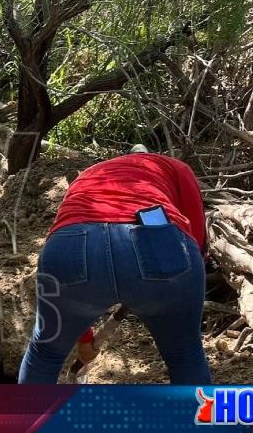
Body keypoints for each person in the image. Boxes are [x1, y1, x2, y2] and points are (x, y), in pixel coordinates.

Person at [18, 147, 211, 384]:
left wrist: (84, 338)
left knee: (45, 354)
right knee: (185, 355)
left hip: (71, 244)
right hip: (158, 242)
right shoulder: (173, 166)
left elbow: (75, 271)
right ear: (148, 156)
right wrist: (183, 284)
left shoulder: (89, 172)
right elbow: (197, 235)